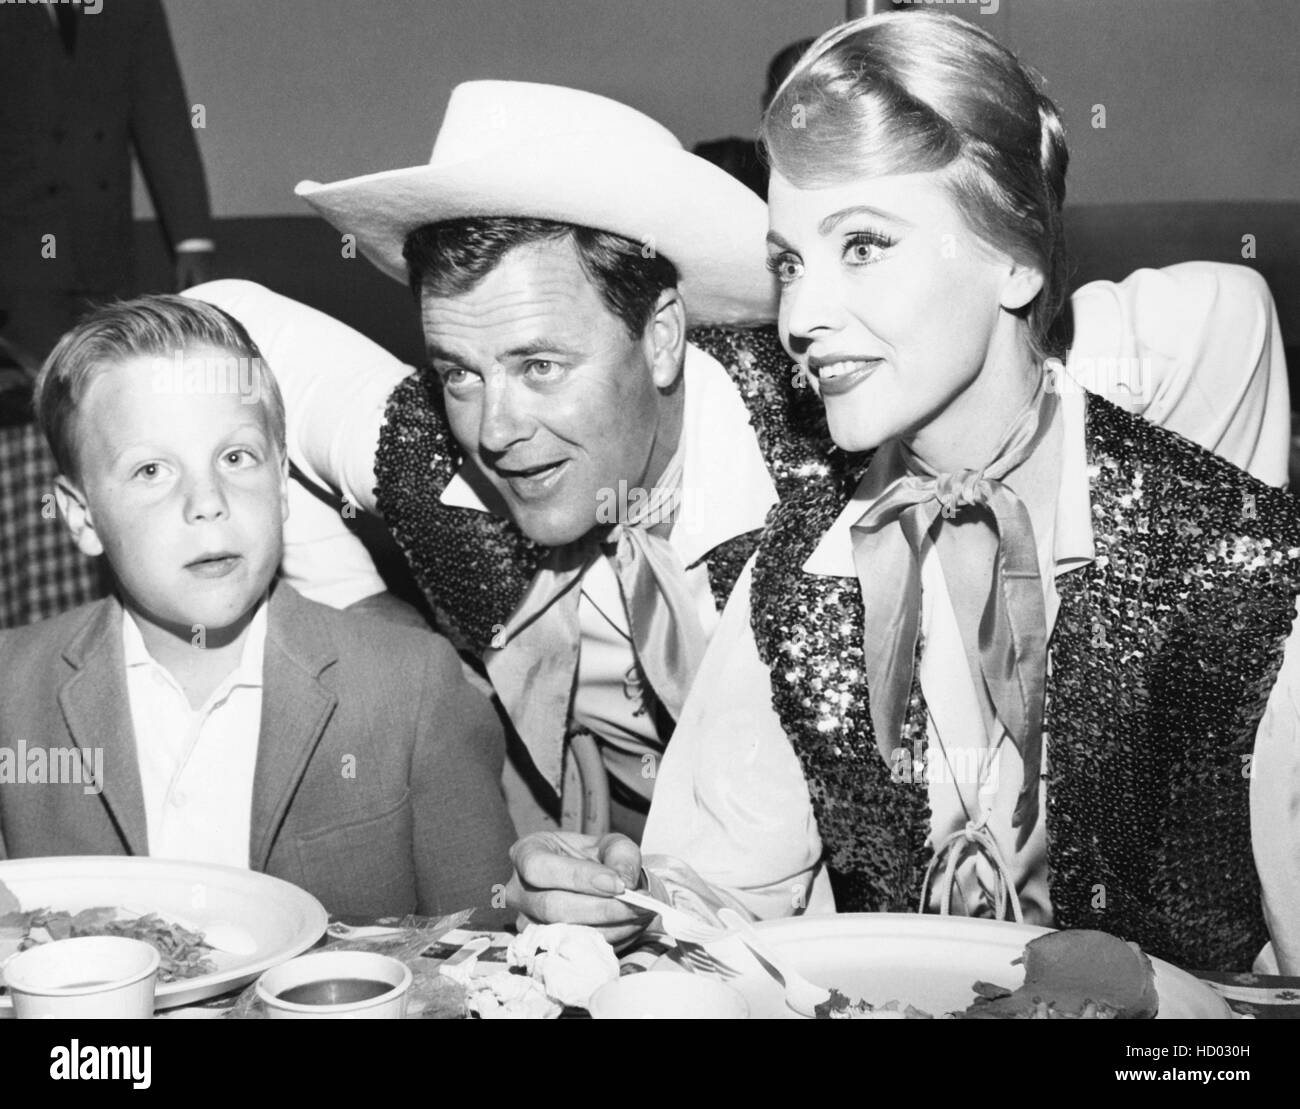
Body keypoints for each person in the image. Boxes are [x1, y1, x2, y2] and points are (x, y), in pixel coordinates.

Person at [503, 13, 1300, 976]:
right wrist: (618, 896)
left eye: (865, 245)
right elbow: (724, 901)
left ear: (1017, 256)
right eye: (789, 261)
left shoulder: (1247, 571)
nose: (799, 316)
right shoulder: (802, 569)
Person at [291, 80, 1288, 846]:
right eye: (458, 370)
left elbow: (1221, 313)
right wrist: (375, 632)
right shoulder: (426, 455)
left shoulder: (843, 407)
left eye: (540, 365)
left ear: (664, 335)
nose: (495, 427)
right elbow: (237, 341)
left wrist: (1186, 666)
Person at [0, 296, 515, 919]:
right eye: (152, 470)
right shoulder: (11, 693)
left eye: (236, 457)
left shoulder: (413, 687)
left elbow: (486, 955)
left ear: (279, 482)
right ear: (82, 518)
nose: (207, 501)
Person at [0, 0, 216, 626]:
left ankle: (112, 612)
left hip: (102, 266)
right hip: (13, 264)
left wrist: (192, 240)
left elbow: (163, 113)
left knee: (104, 424)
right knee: (42, 439)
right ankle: (34, 627)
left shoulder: (130, 8)